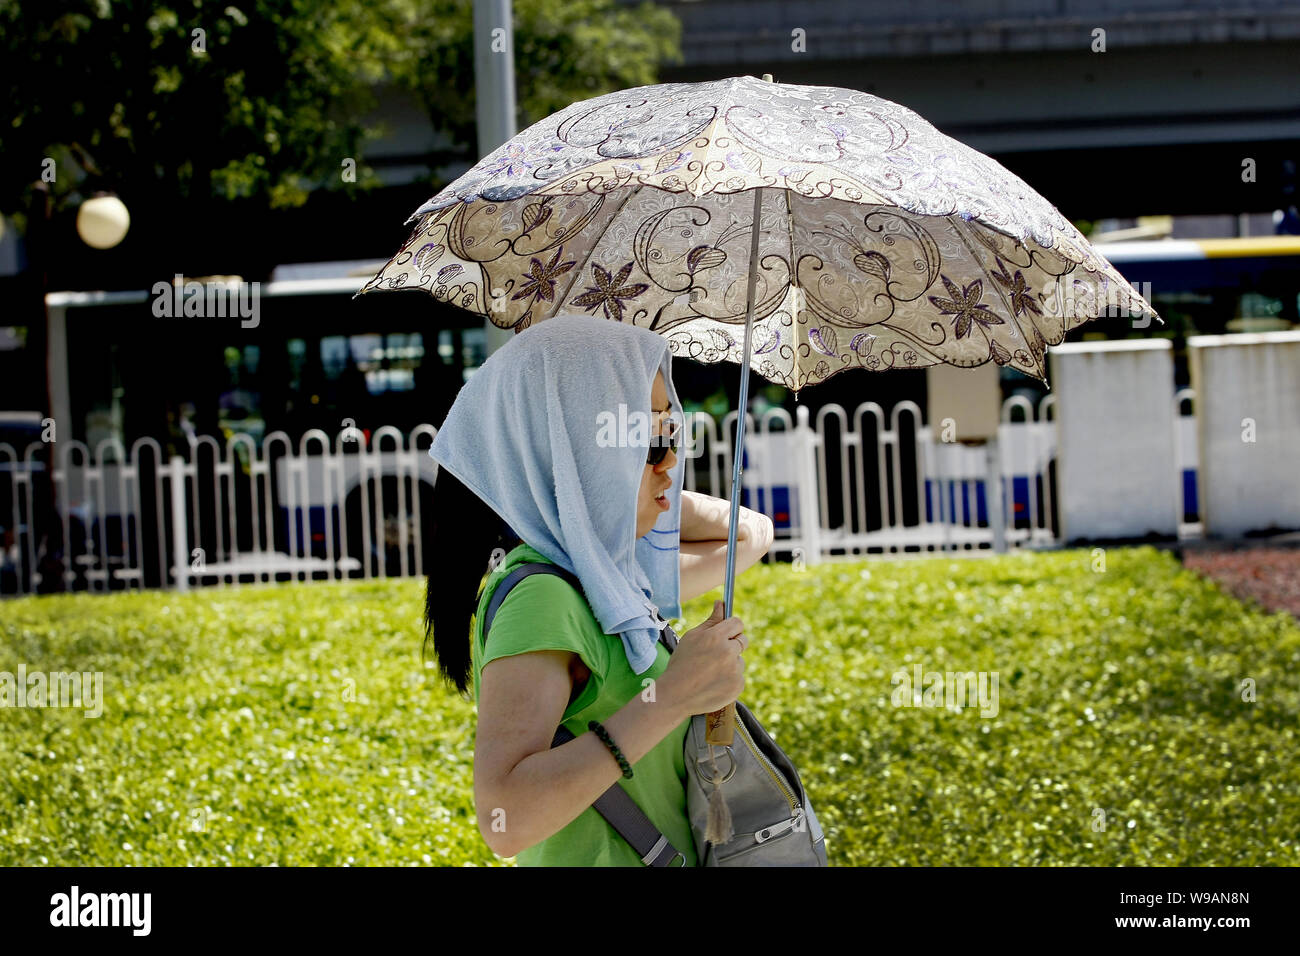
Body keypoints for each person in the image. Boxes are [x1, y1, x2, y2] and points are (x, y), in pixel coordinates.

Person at [422, 314, 768, 865]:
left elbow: (750, 533)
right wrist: (674, 695)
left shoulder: (608, 577)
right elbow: (503, 819)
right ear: (577, 449)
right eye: (647, 442)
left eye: (671, 434)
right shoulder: (544, 597)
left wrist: (611, 496)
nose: (672, 461)